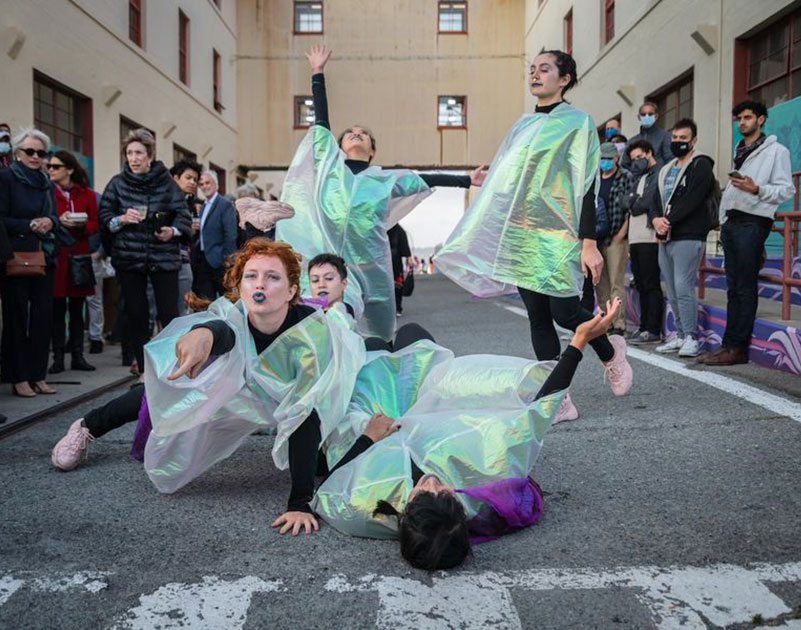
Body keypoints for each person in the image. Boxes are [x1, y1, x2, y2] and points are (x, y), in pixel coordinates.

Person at [313, 299, 623, 569]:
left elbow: (328, 484)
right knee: (413, 334)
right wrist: (579, 341)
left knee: (374, 347)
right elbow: (539, 411)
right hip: (426, 403)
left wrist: (368, 437)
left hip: (374, 411)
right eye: (445, 492)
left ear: (404, 513)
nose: (432, 483)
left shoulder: (362, 510)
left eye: (422, 493)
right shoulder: (484, 485)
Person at [436, 49, 633, 422]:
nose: (535, 74)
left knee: (564, 312)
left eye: (545, 69)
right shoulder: (522, 125)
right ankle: (557, 396)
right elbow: (504, 185)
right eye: (532, 69)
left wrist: (588, 242)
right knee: (537, 316)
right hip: (523, 235)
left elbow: (587, 186)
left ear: (565, 79)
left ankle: (612, 353)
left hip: (559, 235)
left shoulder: (578, 123)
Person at [277, 45, 486, 342]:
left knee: (378, 333)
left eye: (364, 133)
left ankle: (376, 368)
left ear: (372, 150)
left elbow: (423, 179)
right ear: (338, 147)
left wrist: (467, 179)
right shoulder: (329, 170)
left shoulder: (385, 181)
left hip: (371, 263)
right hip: (328, 261)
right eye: (350, 132)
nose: (357, 133)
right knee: (333, 320)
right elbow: (321, 124)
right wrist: (317, 73)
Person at [700, 101, 794, 366]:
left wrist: (758, 190)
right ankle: (728, 345)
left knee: (744, 287)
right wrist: (722, 220)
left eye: (748, 117)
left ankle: (737, 348)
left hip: (754, 222)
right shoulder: (741, 149)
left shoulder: (777, 151)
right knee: (733, 287)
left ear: (761, 120)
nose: (742, 122)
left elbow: (787, 190)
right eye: (739, 118)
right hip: (733, 222)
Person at [99, 128, 191, 374]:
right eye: (129, 153)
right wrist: (121, 219)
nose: (134, 158)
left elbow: (184, 216)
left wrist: (172, 231)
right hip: (129, 258)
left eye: (139, 152)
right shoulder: (117, 184)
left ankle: (172, 365)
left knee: (169, 315)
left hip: (163, 257)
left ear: (150, 155)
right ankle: (143, 370)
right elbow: (104, 218)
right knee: (136, 315)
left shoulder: (167, 184)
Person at [648, 119, 716, 357]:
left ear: (694, 141)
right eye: (675, 138)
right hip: (665, 235)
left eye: (683, 139)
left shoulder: (701, 165)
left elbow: (693, 199)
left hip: (688, 235)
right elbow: (654, 198)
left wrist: (668, 221)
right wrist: (656, 219)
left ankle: (691, 337)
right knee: (672, 289)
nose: (678, 143)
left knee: (683, 286)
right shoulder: (667, 168)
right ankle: (678, 334)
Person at [0, 127, 59, 397]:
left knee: (42, 319)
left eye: (41, 152)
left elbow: (55, 217)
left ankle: (38, 375)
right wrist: (29, 224)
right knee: (16, 319)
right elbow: (2, 218)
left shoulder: (46, 183)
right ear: (17, 153)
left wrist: (50, 221)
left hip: (44, 258)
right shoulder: (6, 178)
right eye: (30, 151)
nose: (36, 156)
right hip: (16, 258)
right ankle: (18, 376)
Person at [48, 150, 99, 373]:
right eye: (49, 166)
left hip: (79, 257)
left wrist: (81, 226)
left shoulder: (86, 194)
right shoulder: (48, 192)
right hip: (57, 257)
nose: (50, 170)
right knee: (57, 310)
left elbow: (96, 223)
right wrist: (57, 221)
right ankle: (58, 357)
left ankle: (78, 356)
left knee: (78, 310)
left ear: (68, 170)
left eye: (55, 166)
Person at [625, 139, 664, 344]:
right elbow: (627, 202)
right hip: (635, 237)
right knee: (639, 283)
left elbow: (646, 202)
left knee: (650, 283)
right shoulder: (638, 176)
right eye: (633, 159)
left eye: (640, 157)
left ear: (649, 153)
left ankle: (653, 329)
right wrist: (634, 202)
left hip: (650, 237)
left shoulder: (659, 173)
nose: (637, 162)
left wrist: (635, 202)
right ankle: (643, 326)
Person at [595, 142, 635, 335]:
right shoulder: (595, 178)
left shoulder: (625, 177)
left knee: (615, 282)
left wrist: (622, 234)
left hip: (616, 238)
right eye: (602, 159)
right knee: (600, 284)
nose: (605, 162)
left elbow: (630, 208)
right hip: (596, 239)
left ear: (616, 158)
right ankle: (605, 320)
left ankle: (618, 323)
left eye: (608, 159)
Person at [192, 170, 237, 299]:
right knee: (206, 298)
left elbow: (231, 234)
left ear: (216, 184)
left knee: (226, 298)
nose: (205, 186)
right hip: (203, 260)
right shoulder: (204, 206)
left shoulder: (224, 204)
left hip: (219, 260)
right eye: (201, 184)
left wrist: (226, 257)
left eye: (207, 183)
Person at [169, 159, 202, 315]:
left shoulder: (190, 203)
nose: (192, 182)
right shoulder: (164, 199)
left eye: (195, 180)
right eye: (188, 178)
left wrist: (189, 231)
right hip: (165, 258)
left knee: (183, 304)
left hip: (183, 257)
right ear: (175, 178)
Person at [621, 102, 673, 168]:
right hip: (637, 177)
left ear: (656, 116)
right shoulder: (632, 141)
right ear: (639, 117)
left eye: (650, 114)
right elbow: (625, 165)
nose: (647, 116)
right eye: (643, 114)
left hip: (658, 176)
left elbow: (670, 160)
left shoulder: (665, 136)